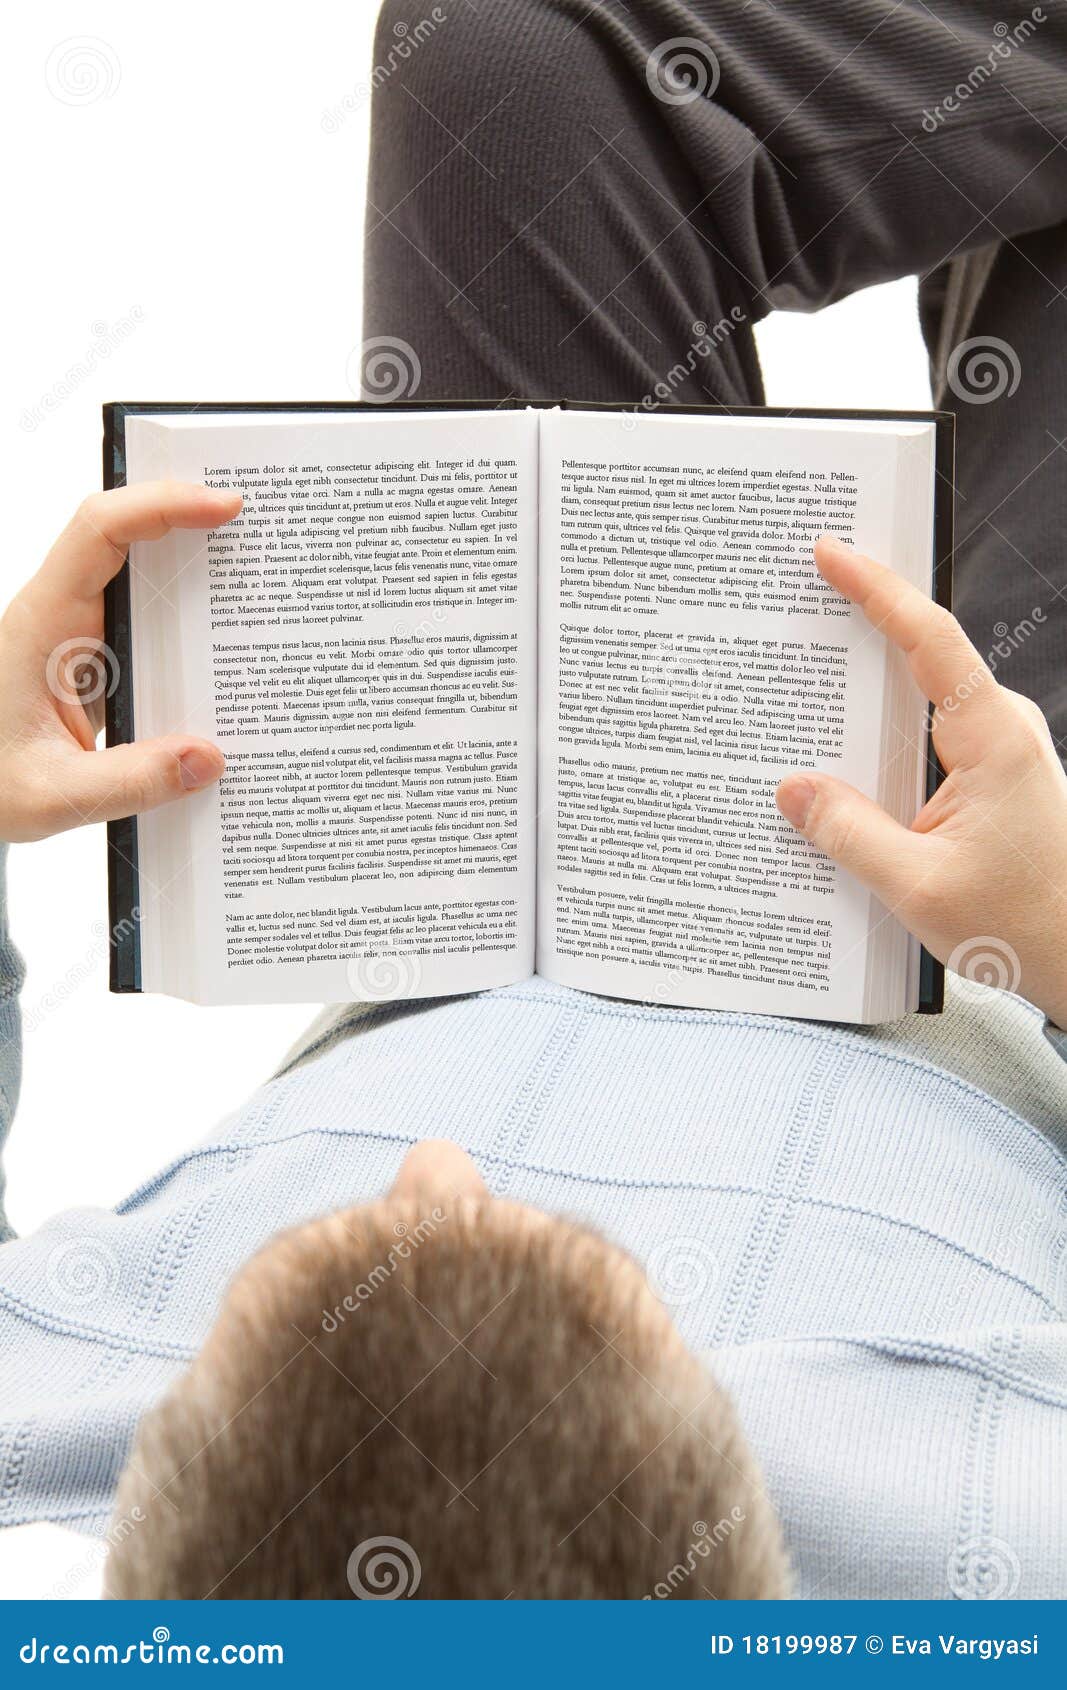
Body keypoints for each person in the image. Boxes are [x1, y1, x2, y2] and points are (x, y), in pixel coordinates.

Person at [0, 0, 1065, 1600]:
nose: (434, 1174)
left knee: (508, 56)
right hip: (999, 969)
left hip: (488, 897)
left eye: (328, 1281)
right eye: (563, 1274)